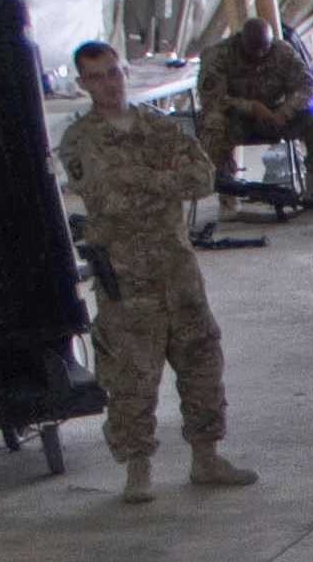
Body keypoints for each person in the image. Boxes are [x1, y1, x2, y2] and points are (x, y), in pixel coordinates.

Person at [58, 43, 259, 506]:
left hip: (177, 268)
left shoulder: (158, 125)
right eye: (97, 76)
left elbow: (202, 178)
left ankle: (206, 457)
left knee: (201, 360)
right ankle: (138, 468)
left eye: (114, 72)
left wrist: (140, 179)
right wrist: (164, 181)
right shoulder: (80, 139)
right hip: (126, 276)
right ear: (83, 84)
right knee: (132, 375)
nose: (110, 83)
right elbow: (107, 197)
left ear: (124, 73)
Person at [197, 18, 313, 203]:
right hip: (237, 119)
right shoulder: (219, 55)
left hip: (276, 117)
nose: (260, 54)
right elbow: (212, 98)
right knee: (212, 123)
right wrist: (253, 108)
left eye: (264, 48)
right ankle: (228, 192)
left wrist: (284, 112)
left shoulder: (282, 52)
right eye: (253, 49)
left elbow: (308, 86)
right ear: (242, 40)